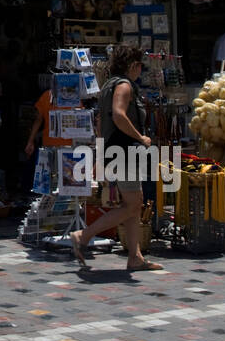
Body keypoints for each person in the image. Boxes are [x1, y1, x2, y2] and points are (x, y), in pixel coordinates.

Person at [70, 44, 163, 274]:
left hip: (115, 151)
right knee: (134, 204)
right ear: (133, 66)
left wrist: (101, 153)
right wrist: (141, 137)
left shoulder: (107, 86)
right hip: (126, 151)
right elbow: (119, 116)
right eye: (140, 65)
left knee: (129, 206)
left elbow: (101, 122)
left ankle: (135, 257)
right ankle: (84, 235)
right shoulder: (123, 86)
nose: (141, 70)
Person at [25, 81, 74, 156]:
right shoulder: (73, 97)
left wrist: (30, 141)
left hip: (50, 143)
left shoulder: (46, 95)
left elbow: (38, 120)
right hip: (69, 144)